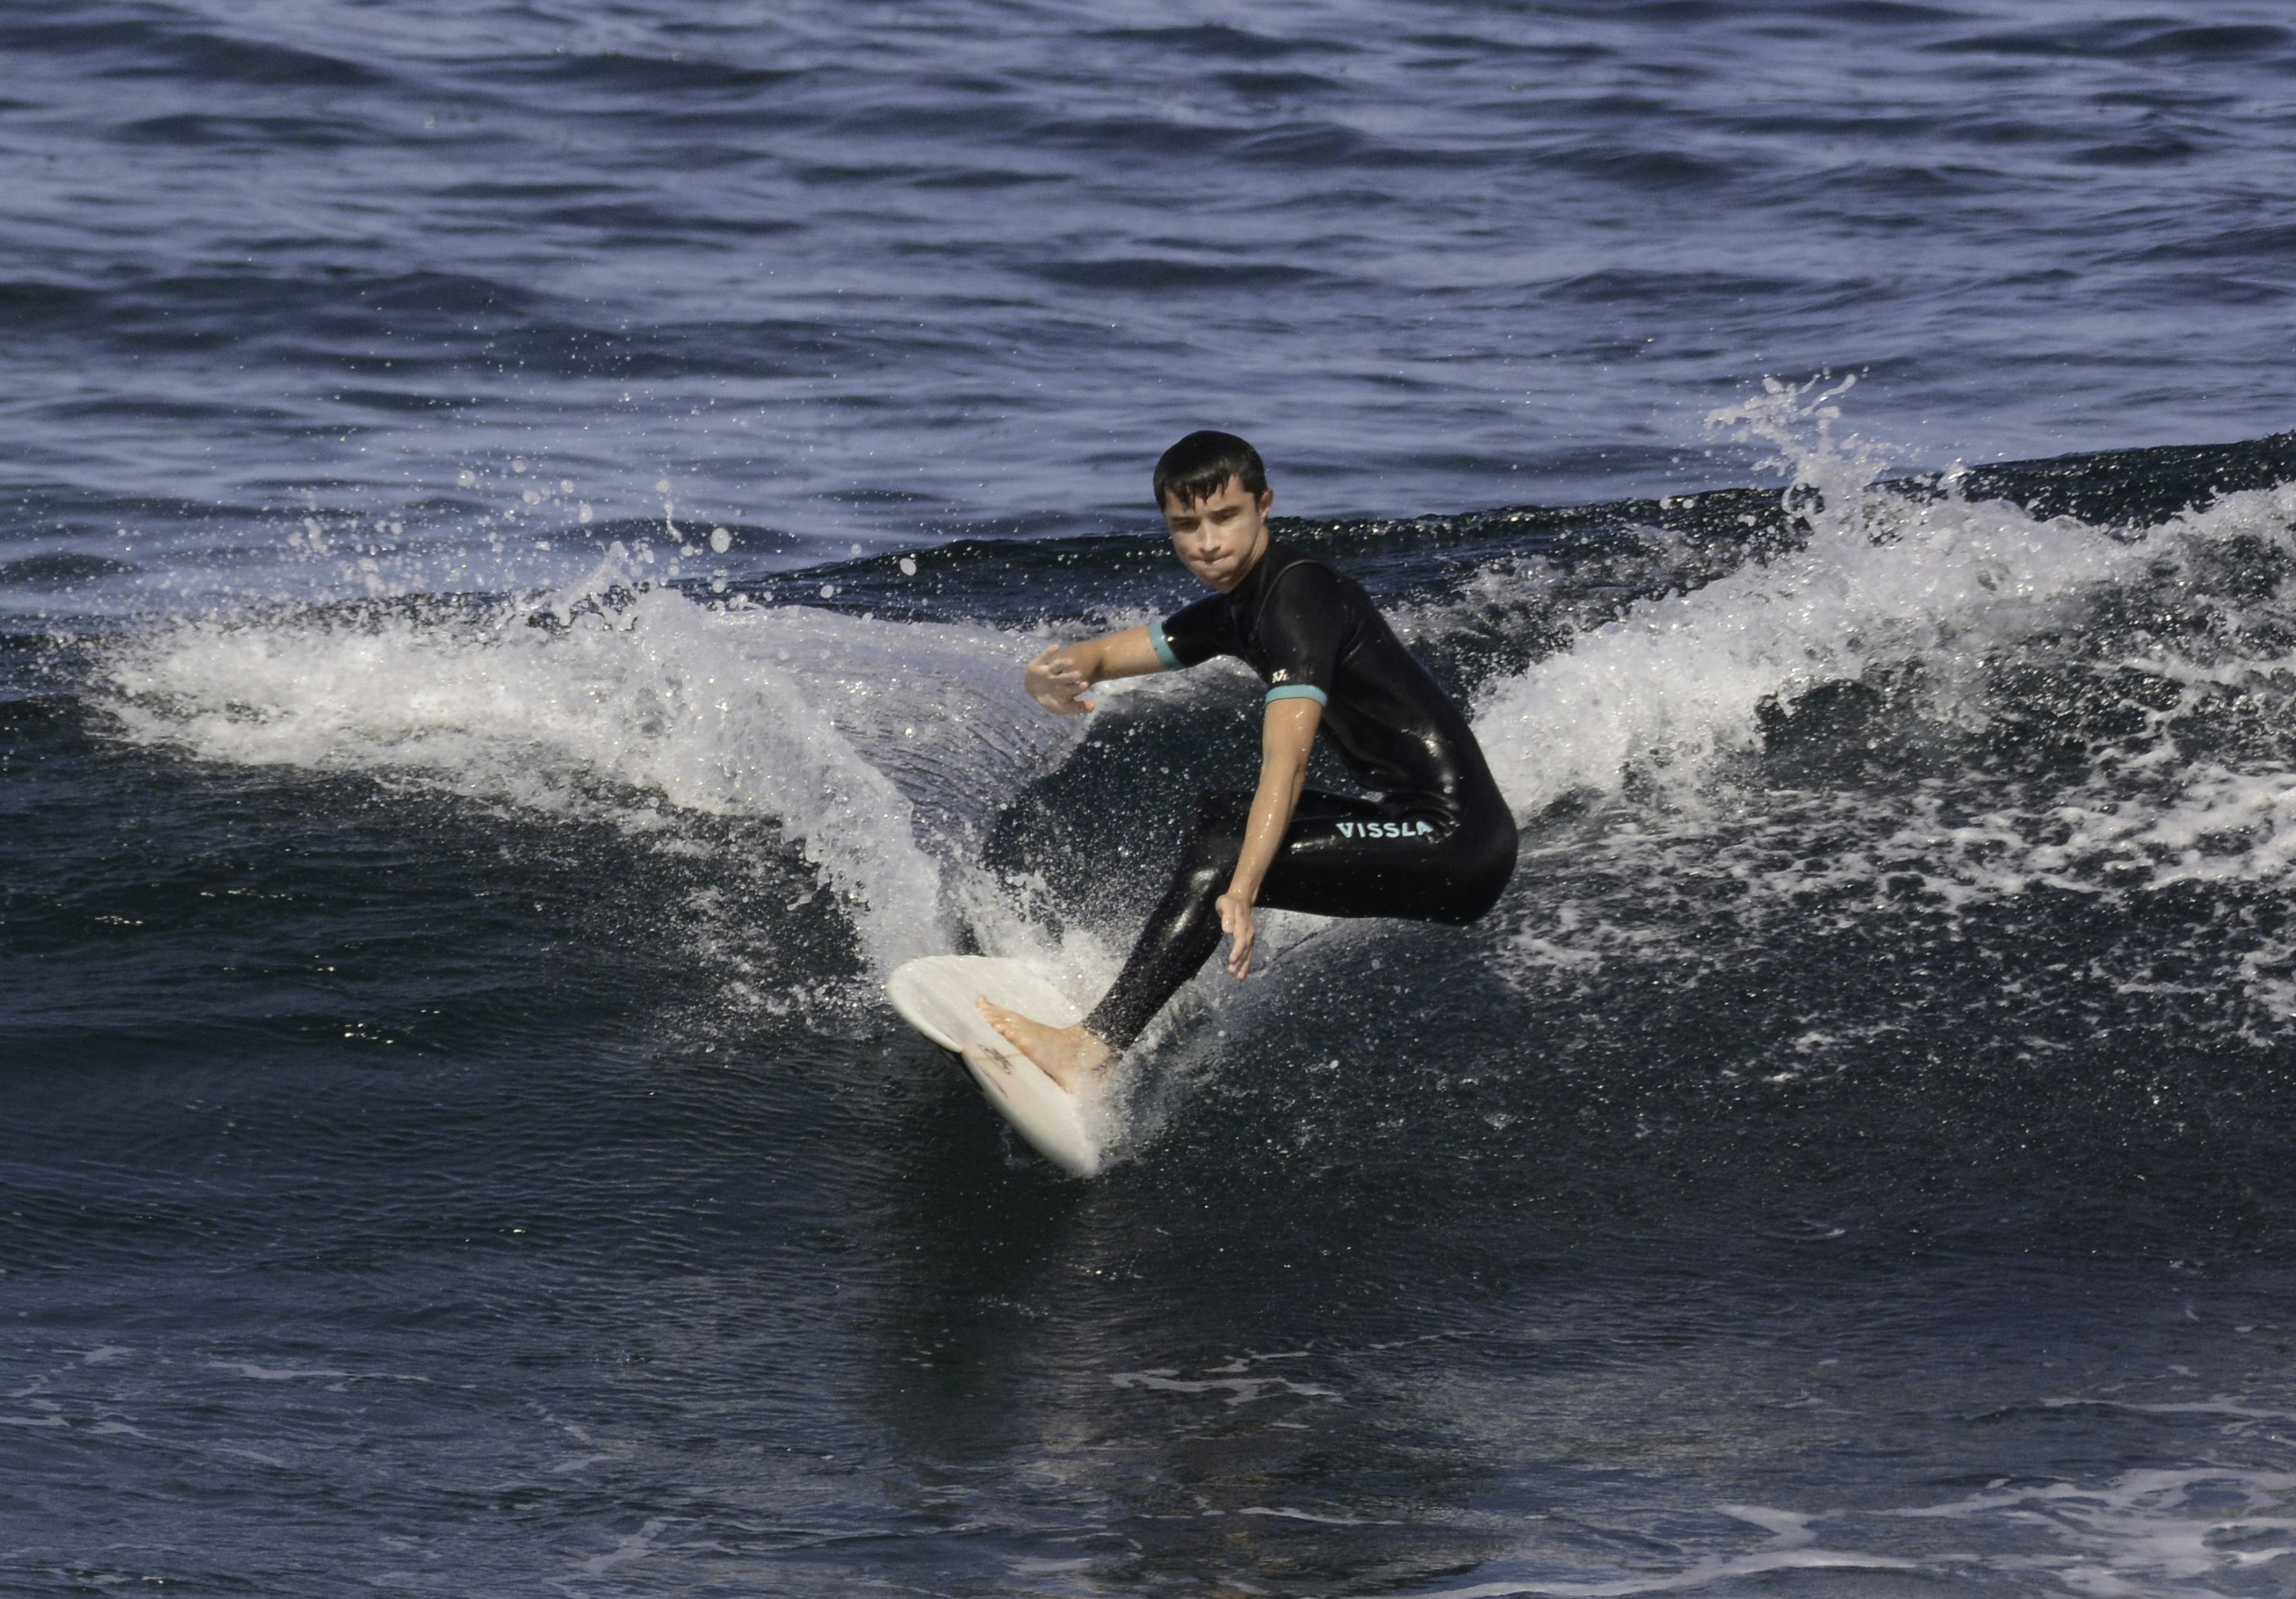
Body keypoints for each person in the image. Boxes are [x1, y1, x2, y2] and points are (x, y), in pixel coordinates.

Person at [979, 431, 1518, 1089]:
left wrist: (1243, 888)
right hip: (1413, 822)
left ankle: (1093, 1048)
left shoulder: (1297, 597)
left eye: (1225, 516)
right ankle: (1122, 1017)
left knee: (1227, 840)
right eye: (1186, 526)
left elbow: (1286, 765)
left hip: (1455, 840)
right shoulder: (1238, 609)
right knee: (1218, 816)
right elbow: (1101, 656)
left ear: (1264, 505)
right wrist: (1048, 679)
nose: (1208, 542)